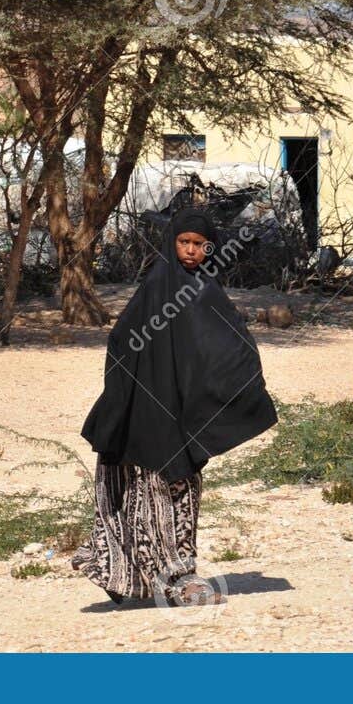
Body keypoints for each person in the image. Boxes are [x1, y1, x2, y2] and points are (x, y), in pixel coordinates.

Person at [73, 206, 277, 606]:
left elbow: (228, 346)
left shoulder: (206, 291)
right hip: (144, 415)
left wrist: (238, 387)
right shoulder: (155, 287)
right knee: (139, 495)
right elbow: (121, 343)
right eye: (183, 242)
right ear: (172, 244)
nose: (190, 251)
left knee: (179, 498)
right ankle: (150, 579)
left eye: (199, 245)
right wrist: (124, 401)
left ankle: (174, 577)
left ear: (210, 249)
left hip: (181, 420)